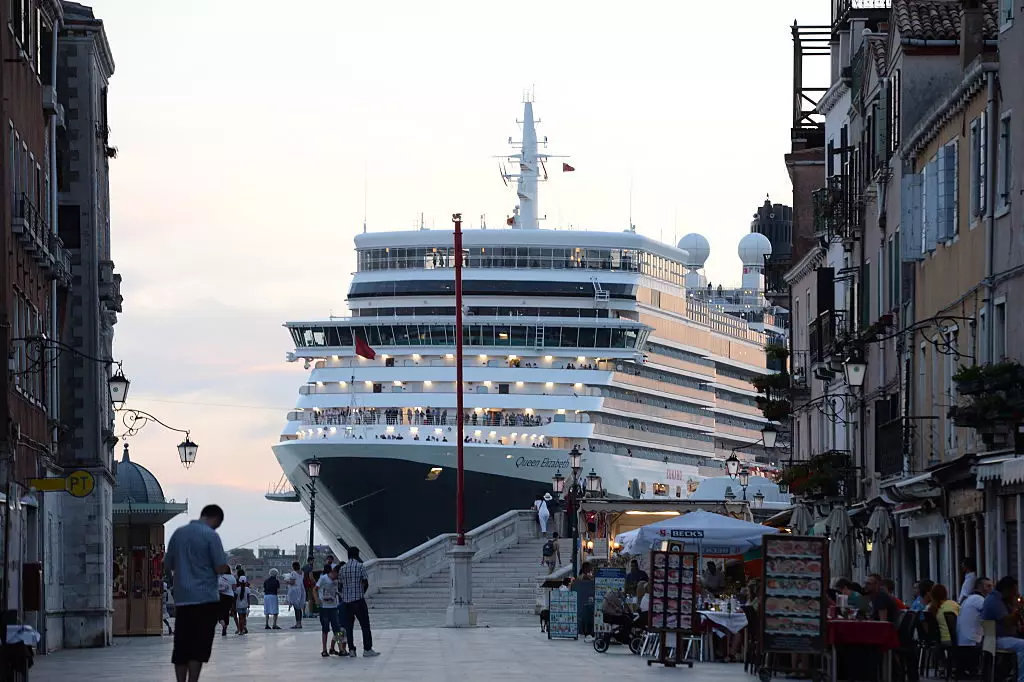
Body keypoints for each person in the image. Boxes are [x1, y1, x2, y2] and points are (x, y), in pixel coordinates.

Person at [165, 504, 230, 682]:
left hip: (183, 599)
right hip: (206, 598)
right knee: (198, 645)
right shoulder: (211, 536)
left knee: (182, 644)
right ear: (216, 519)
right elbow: (219, 566)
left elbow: (168, 563)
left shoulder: (179, 533)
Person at [981, 576, 1024, 682]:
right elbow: (1007, 622)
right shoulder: (994, 600)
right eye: (1014, 591)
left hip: (1005, 636)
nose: (1015, 594)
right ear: (1006, 589)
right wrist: (1019, 609)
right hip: (996, 639)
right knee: (1023, 646)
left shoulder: (1003, 600)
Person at [338, 546, 379, 657]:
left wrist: (345, 595)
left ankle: (351, 650)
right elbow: (365, 582)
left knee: (348, 627)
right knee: (365, 625)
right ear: (357, 555)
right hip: (358, 601)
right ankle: (367, 649)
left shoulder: (343, 568)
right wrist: (361, 593)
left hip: (346, 602)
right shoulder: (360, 566)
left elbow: (340, 585)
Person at [314, 564, 346, 657]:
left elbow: (334, 590)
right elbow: (315, 589)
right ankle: (324, 649)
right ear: (334, 572)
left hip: (333, 606)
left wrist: (339, 594)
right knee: (325, 629)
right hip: (324, 607)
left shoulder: (336, 581)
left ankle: (340, 648)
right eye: (337, 575)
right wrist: (317, 600)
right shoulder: (323, 578)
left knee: (337, 628)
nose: (338, 578)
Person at [957, 576, 992, 646]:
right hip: (972, 643)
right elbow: (992, 613)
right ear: (981, 588)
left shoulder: (969, 599)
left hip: (963, 642)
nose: (991, 589)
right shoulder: (978, 599)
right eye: (989, 586)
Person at [285, 560, 306, 629]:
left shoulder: (293, 573)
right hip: (301, 589)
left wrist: (287, 581)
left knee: (296, 608)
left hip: (295, 591)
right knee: (299, 608)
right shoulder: (302, 572)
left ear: (293, 567)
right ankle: (299, 623)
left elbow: (293, 582)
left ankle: (298, 624)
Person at [216, 570, 236, 637]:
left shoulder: (220, 577)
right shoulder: (232, 578)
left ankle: (223, 624)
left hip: (221, 596)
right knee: (226, 612)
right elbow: (234, 589)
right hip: (230, 597)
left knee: (220, 612)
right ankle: (225, 629)